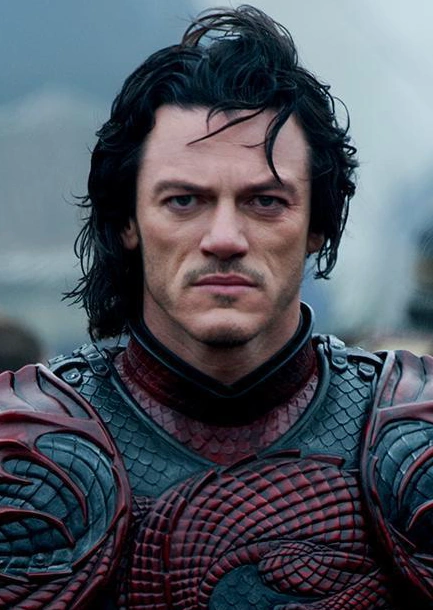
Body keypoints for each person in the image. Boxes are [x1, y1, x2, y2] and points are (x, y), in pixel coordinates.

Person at [0, 5, 432, 609]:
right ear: (128, 221)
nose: (224, 238)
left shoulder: (416, 437)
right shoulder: (26, 451)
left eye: (265, 201)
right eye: (184, 200)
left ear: (318, 225)